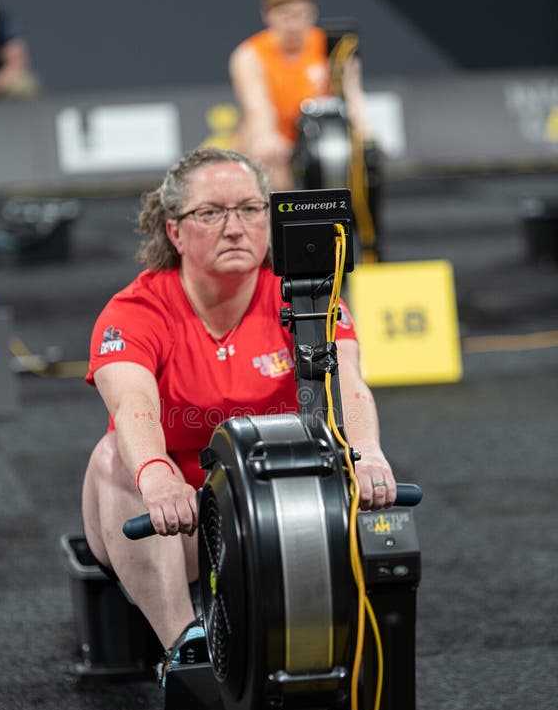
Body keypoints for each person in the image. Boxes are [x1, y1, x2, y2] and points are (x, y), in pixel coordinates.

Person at [81, 146, 396, 681]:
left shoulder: (305, 297)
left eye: (250, 209)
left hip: (273, 511)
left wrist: (366, 455)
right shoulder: (136, 310)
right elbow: (132, 403)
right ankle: (186, 648)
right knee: (113, 456)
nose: (235, 227)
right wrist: (158, 479)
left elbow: (349, 383)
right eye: (211, 213)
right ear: (175, 230)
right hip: (173, 523)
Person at [228, 0, 374, 192]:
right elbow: (258, 108)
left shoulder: (333, 46)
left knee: (360, 151)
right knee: (265, 152)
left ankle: (346, 223)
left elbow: (353, 96)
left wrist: (365, 133)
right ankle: (276, 222)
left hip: (318, 137)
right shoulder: (249, 55)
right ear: (267, 14)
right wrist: (269, 137)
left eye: (302, 14)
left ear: (313, 12)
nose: (295, 25)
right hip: (275, 137)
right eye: (286, 15)